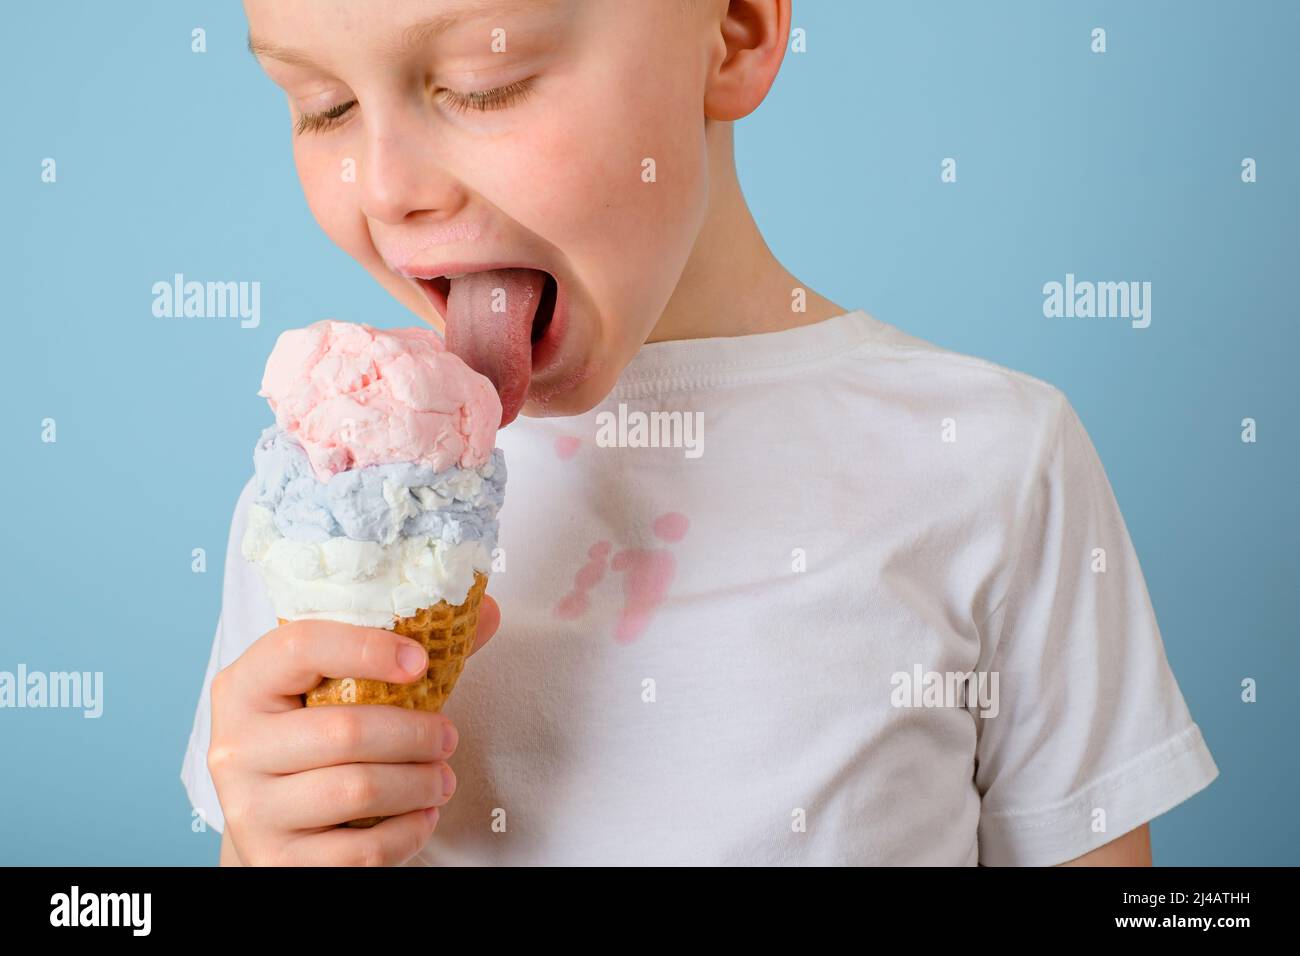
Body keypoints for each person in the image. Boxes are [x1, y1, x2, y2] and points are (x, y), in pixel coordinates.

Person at [181, 0, 1218, 866]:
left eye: (481, 82)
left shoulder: (991, 455)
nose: (388, 186)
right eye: (323, 106)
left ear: (732, 31)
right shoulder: (318, 505)